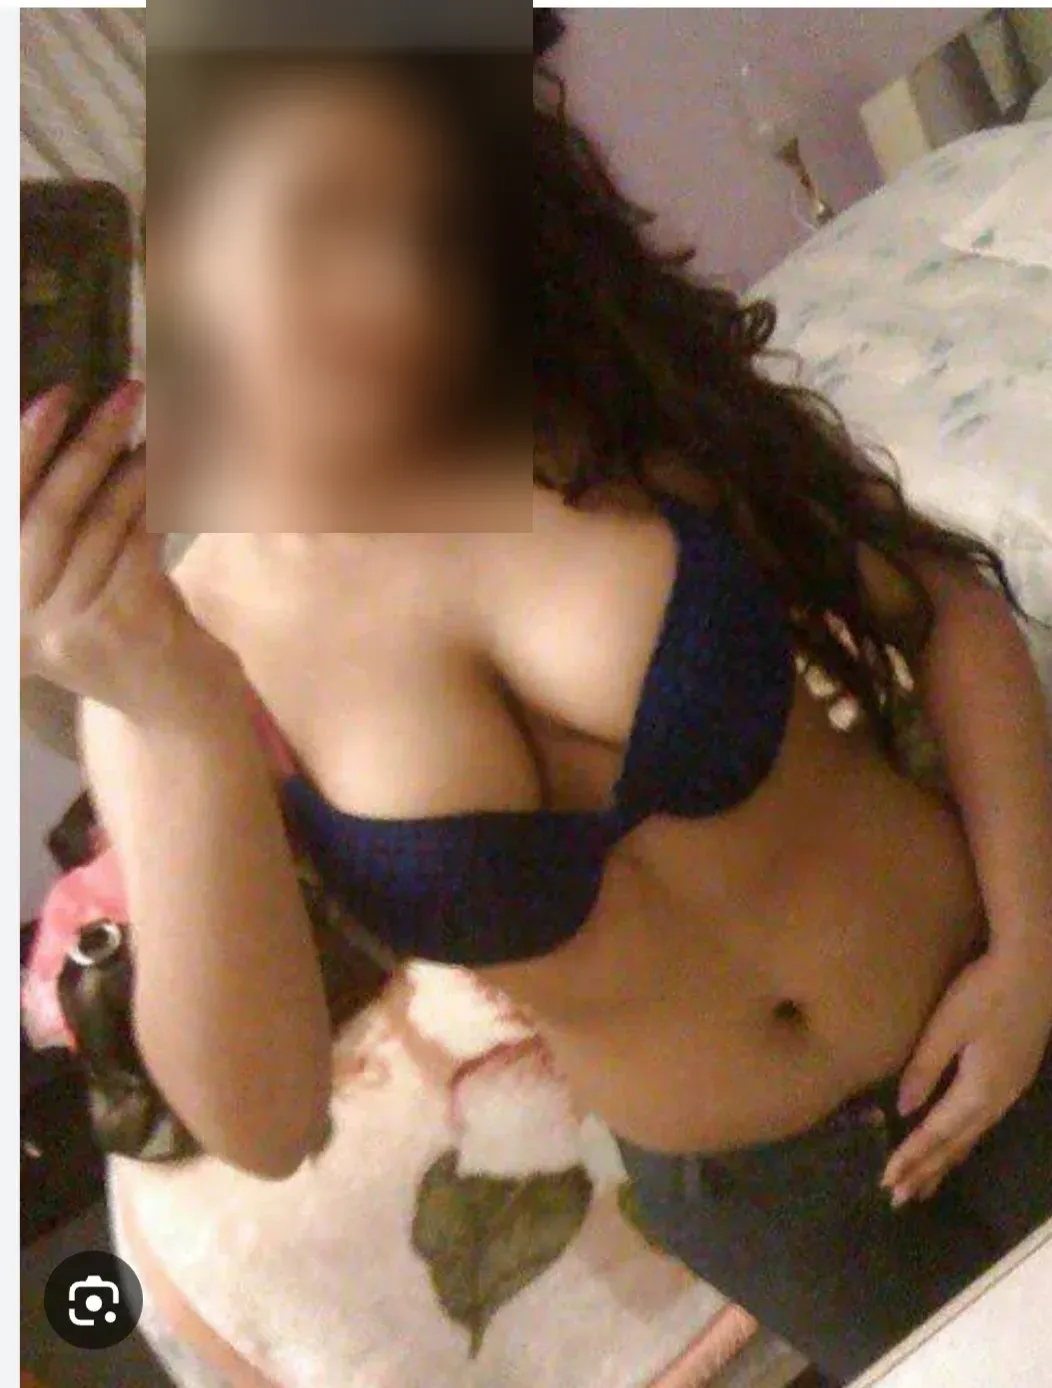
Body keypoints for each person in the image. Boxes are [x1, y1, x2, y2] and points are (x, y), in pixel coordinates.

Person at [20, 24, 1052, 1384]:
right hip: (780, 1208)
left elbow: (944, 607)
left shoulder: (590, 399)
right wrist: (175, 712)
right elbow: (264, 1126)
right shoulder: (174, 657)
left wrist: (1029, 957)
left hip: (996, 990)